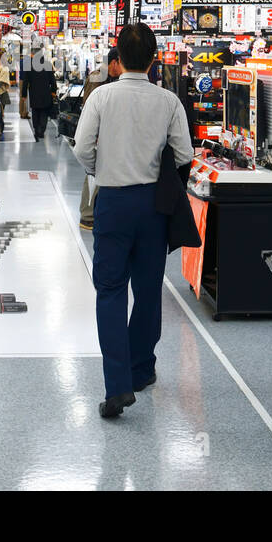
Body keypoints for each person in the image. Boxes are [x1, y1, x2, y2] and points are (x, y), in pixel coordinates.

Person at [74, 25, 193, 419]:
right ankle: (142, 369)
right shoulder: (169, 101)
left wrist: (100, 171)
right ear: (155, 59)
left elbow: (81, 149)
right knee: (147, 290)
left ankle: (118, 385)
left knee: (109, 290)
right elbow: (182, 155)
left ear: (118, 60)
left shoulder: (102, 97)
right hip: (153, 207)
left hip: (112, 202)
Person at [78, 48, 120, 229]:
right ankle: (87, 216)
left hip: (107, 133)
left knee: (100, 174)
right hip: (96, 134)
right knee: (92, 174)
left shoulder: (109, 78)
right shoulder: (97, 77)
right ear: (113, 63)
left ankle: (96, 212)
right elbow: (91, 106)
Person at [20, 43, 58, 141]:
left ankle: (37, 130)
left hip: (34, 94)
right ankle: (42, 130)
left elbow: (25, 82)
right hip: (46, 94)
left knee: (35, 112)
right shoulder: (48, 65)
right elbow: (53, 81)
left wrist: (24, 94)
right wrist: (53, 91)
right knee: (44, 113)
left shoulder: (29, 66)